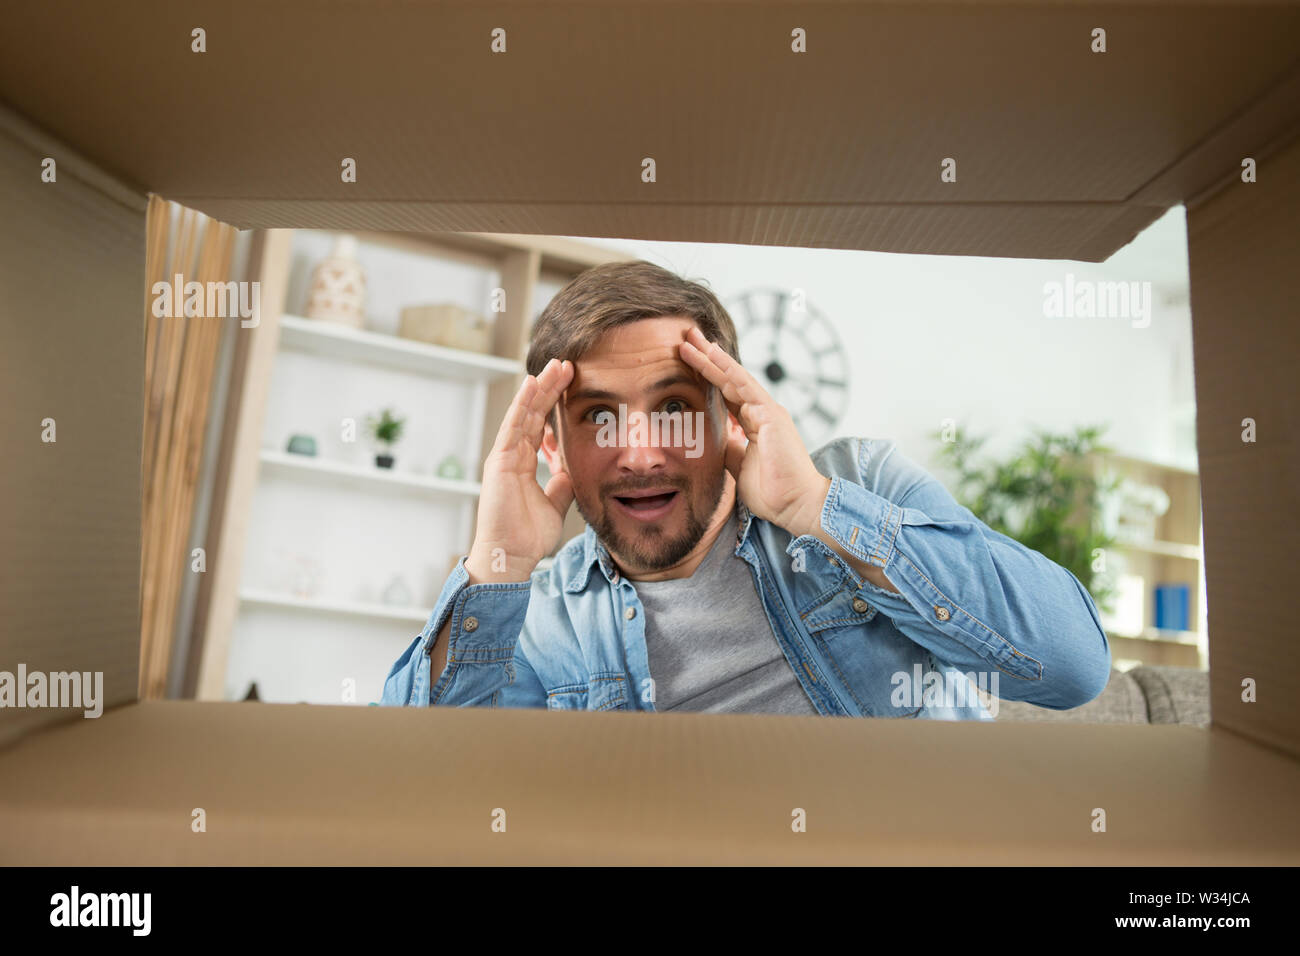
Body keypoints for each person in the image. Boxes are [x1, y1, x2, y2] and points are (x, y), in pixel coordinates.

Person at [380, 260, 1111, 717]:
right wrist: (496, 567)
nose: (640, 454)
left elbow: (1072, 669)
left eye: (674, 407)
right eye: (598, 416)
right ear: (552, 442)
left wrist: (813, 509)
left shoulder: (859, 483)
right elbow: (421, 797)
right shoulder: (543, 623)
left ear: (728, 411)